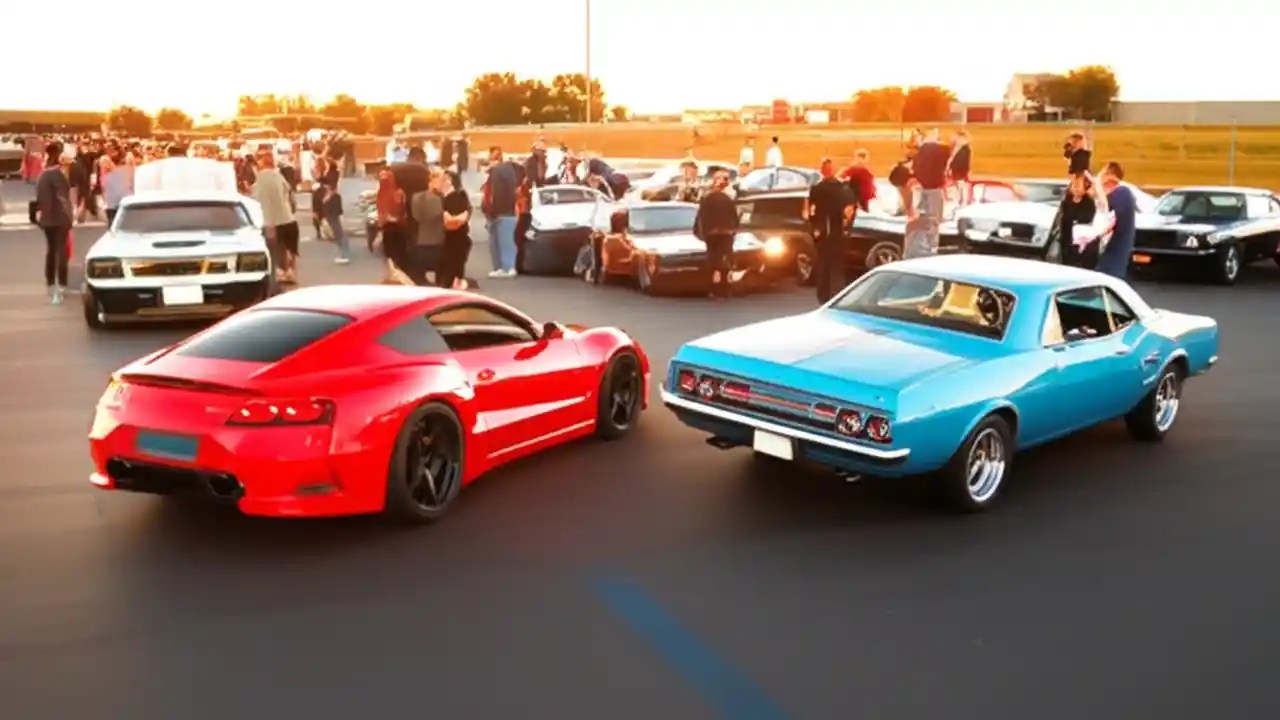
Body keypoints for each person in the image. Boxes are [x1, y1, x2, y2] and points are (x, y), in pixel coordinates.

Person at [806, 159, 857, 303]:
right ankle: (837, 297)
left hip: (822, 234)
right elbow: (849, 211)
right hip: (838, 233)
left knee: (823, 267)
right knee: (837, 268)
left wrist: (814, 226)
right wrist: (847, 226)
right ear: (834, 171)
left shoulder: (816, 189)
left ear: (822, 171)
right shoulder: (843, 189)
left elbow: (809, 211)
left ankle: (823, 297)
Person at [251, 147, 300, 283]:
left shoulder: (259, 182)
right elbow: (291, 198)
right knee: (290, 249)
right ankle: (290, 273)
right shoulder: (280, 178)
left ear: (260, 163)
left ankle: (278, 275)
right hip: (288, 219)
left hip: (271, 223)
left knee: (275, 252)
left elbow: (258, 203)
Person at [35, 142, 75, 304]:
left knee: (51, 250)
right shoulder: (59, 176)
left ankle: (50, 282)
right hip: (60, 217)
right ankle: (63, 283)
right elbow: (63, 199)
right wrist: (70, 217)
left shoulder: (42, 176)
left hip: (47, 218)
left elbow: (39, 198)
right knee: (61, 250)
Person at [693, 170, 738, 300]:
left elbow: (701, 217)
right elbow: (734, 218)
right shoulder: (728, 199)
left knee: (713, 262)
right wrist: (733, 231)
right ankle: (725, 289)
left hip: (712, 235)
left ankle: (713, 289)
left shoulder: (708, 198)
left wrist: (700, 233)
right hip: (726, 234)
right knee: (724, 262)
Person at [904, 129, 948, 259]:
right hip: (934, 189)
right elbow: (946, 153)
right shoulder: (938, 149)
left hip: (923, 188)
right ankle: (932, 247)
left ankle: (925, 245)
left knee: (923, 218)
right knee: (933, 219)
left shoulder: (920, 153)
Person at [483, 146, 520, 278]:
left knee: (504, 241)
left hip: (501, 212)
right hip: (500, 212)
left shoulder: (499, 174)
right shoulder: (501, 174)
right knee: (500, 241)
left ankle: (507, 266)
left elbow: (493, 195)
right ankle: (502, 266)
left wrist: (491, 210)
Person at [1095, 162, 1136, 278]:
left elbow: (1105, 215)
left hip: (1112, 264)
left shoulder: (1122, 194)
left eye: (1102, 176)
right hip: (1110, 262)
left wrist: (1098, 185)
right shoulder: (1120, 195)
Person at [408, 167, 447, 286]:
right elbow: (429, 216)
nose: (444, 183)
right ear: (432, 181)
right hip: (433, 241)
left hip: (429, 241)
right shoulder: (432, 199)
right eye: (442, 180)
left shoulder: (417, 197)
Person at [438, 170, 473, 289]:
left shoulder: (460, 195)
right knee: (448, 263)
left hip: (459, 235)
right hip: (447, 235)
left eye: (445, 179)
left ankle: (456, 283)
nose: (442, 181)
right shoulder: (440, 197)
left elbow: (463, 215)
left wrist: (454, 220)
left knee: (456, 262)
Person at [375, 168, 412, 283]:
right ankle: (395, 277)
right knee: (392, 256)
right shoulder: (386, 193)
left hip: (396, 228)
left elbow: (402, 210)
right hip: (390, 228)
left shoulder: (396, 193)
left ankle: (398, 277)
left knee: (395, 256)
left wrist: (389, 218)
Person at [1058, 174, 1098, 268]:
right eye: (1074, 184)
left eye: (1078, 185)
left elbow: (1088, 221)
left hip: (1082, 245)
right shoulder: (1066, 201)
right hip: (1066, 242)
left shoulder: (1089, 203)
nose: (1075, 188)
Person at [948, 130, 972, 205]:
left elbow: (961, 161)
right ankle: (960, 200)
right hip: (957, 170)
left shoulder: (965, 148)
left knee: (960, 185)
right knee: (958, 185)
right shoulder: (958, 148)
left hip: (960, 170)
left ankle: (962, 200)